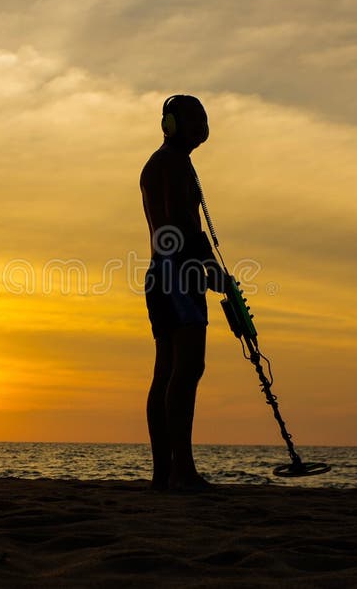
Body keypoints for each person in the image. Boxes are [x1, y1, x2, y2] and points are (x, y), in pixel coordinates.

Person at [140, 94, 228, 492]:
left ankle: (164, 473)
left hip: (161, 272)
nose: (202, 127)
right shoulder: (172, 164)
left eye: (204, 119)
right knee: (187, 370)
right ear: (171, 124)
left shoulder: (165, 163)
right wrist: (208, 266)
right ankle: (182, 471)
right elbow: (180, 221)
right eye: (195, 120)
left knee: (166, 373)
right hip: (179, 273)